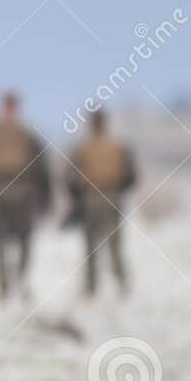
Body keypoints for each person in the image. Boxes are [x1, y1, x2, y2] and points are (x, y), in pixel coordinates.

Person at [0, 91, 51, 301]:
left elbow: (42, 169)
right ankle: (4, 288)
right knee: (0, 242)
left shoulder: (25, 135)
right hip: (0, 192)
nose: (10, 111)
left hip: (21, 193)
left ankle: (19, 281)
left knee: (23, 240)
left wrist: (44, 198)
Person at [65, 109, 138, 297]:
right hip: (112, 198)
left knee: (91, 247)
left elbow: (70, 178)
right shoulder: (117, 147)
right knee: (115, 246)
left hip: (91, 200)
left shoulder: (83, 149)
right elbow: (131, 176)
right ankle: (121, 285)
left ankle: (91, 288)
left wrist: (78, 198)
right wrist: (116, 190)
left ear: (91, 124)